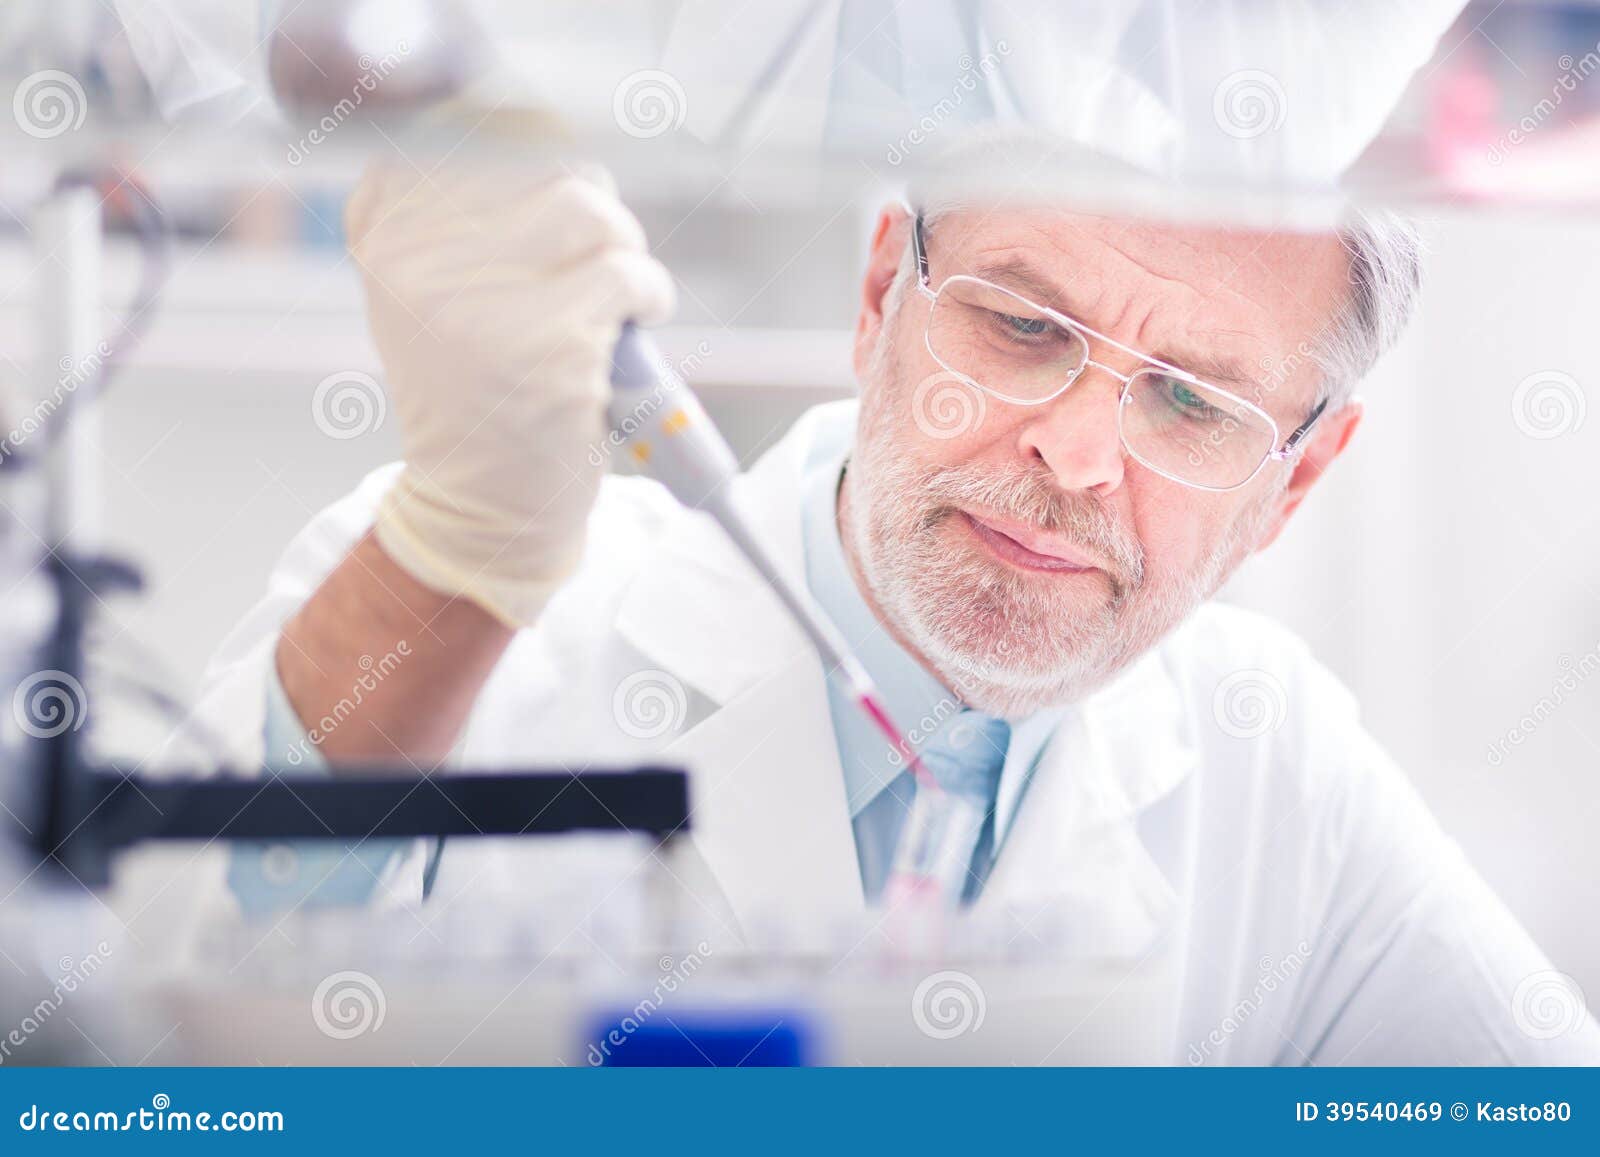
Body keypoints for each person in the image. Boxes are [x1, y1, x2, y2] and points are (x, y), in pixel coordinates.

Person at [194, 155, 1599, 1065]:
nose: (1078, 453)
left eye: (1191, 401)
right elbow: (155, 1035)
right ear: (881, 292)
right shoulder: (482, 611)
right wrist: (459, 542)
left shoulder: (1273, 756)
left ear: (1291, 486)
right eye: (1024, 326)